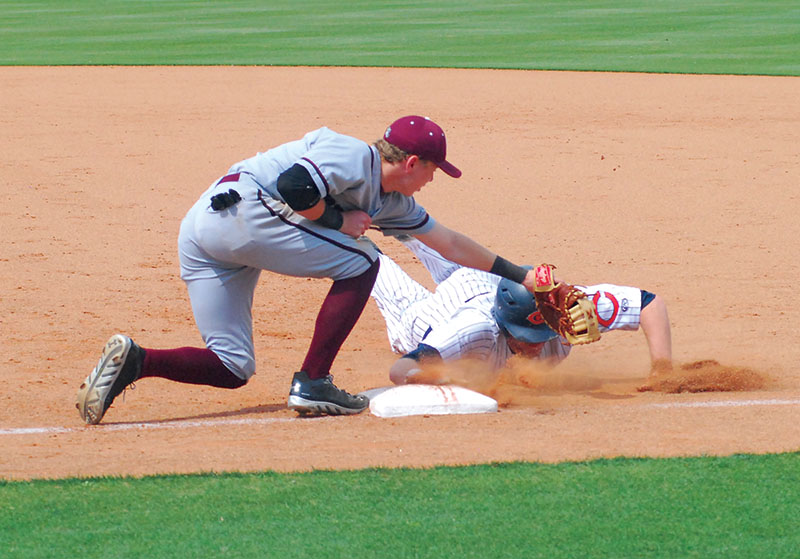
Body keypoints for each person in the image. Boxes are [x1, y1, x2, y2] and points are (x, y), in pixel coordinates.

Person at [76, 115, 547, 423]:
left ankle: (137, 360)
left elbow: (447, 242)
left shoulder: (392, 200)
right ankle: (314, 381)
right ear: (410, 162)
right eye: (432, 170)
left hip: (206, 232)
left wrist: (517, 274)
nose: (432, 180)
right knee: (364, 259)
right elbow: (294, 184)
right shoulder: (351, 154)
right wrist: (339, 221)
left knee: (232, 366)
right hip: (243, 211)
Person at [370, 237, 672, 385]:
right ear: (503, 324)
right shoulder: (472, 331)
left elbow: (648, 303)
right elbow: (400, 369)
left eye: (542, 333)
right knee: (373, 268)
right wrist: (433, 379)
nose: (536, 344)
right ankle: (363, 233)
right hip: (433, 315)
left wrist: (663, 370)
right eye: (525, 337)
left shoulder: (564, 312)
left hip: (483, 280)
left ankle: (402, 224)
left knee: (442, 248)